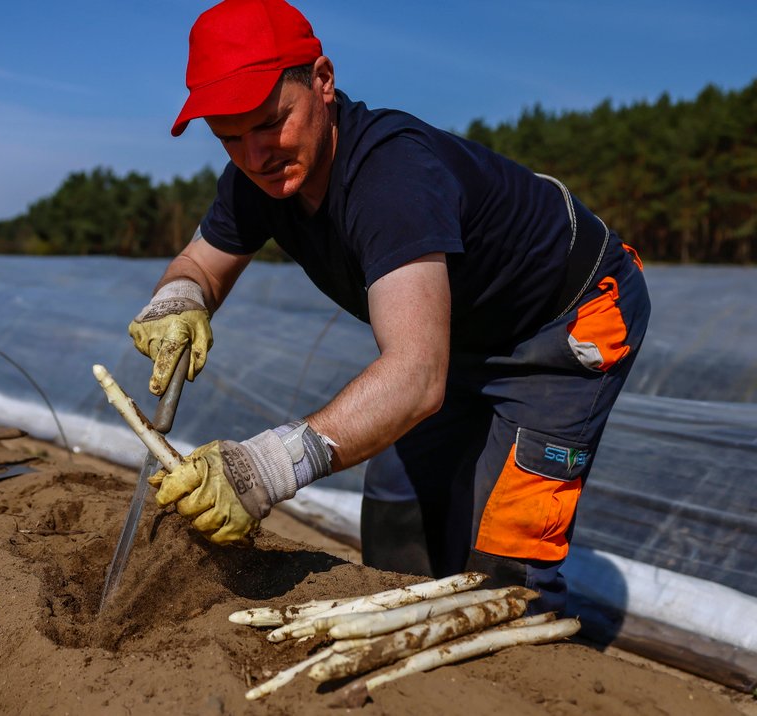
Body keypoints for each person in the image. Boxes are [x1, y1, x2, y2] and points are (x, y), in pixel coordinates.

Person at [129, 0, 650, 613]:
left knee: (505, 565)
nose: (254, 156)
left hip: (564, 325)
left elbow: (416, 378)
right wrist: (178, 299)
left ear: (322, 81)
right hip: (463, 334)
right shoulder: (258, 179)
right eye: (229, 138)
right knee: (398, 507)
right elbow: (199, 264)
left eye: (271, 123)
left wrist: (263, 468)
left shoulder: (392, 179)